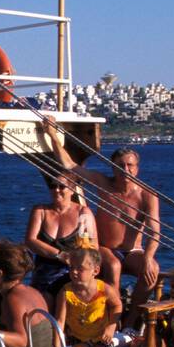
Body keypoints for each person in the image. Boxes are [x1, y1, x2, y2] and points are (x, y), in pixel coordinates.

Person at [44, 120, 161, 324]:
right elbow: (70, 165)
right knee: (113, 266)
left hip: (132, 251)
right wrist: (53, 134)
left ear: (137, 168)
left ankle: (131, 320)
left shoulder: (147, 196)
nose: (125, 169)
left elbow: (155, 232)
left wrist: (149, 257)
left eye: (130, 165)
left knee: (153, 270)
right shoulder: (103, 183)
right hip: (104, 248)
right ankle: (111, 320)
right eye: (120, 165)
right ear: (113, 167)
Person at [24, 170, 98, 304]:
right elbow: (30, 240)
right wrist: (59, 254)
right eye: (53, 186)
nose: (56, 190)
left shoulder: (83, 213)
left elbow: (93, 248)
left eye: (62, 186)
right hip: (43, 272)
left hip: (71, 273)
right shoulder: (40, 211)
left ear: (72, 190)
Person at [55, 248, 122, 347]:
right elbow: (60, 321)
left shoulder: (104, 289)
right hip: (78, 338)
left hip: (101, 337)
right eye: (71, 268)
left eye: (80, 269)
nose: (74, 272)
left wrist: (111, 327)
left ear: (95, 271)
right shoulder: (65, 292)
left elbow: (117, 305)